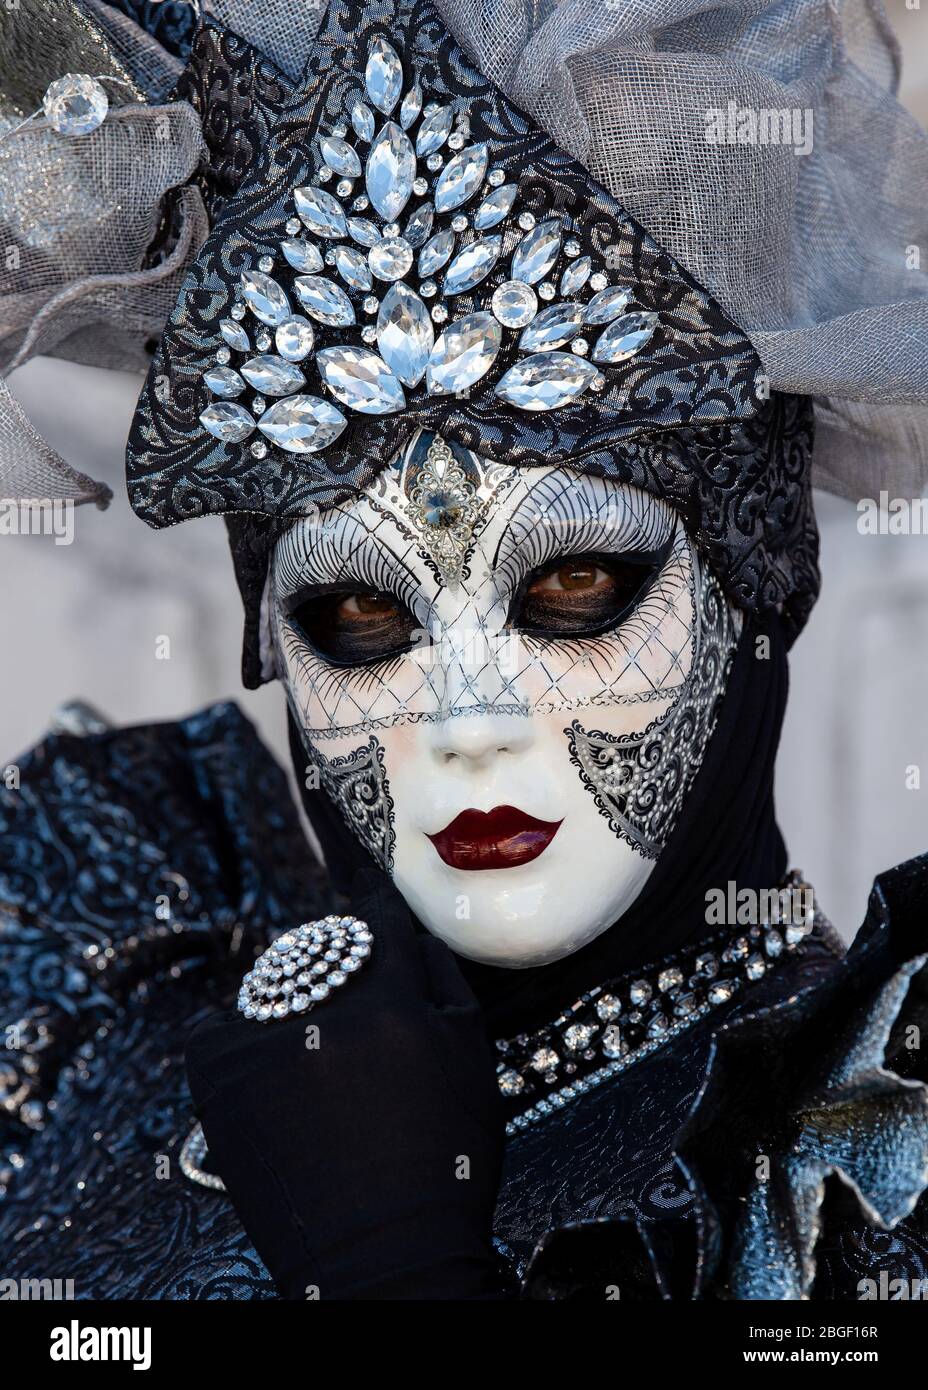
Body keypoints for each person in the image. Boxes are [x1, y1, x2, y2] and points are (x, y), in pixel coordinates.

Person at [2, 0, 928, 1300]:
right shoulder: (113, 1012)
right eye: (362, 618)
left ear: (760, 573)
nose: (466, 717)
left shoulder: (869, 1148)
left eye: (574, 583)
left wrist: (399, 1265)